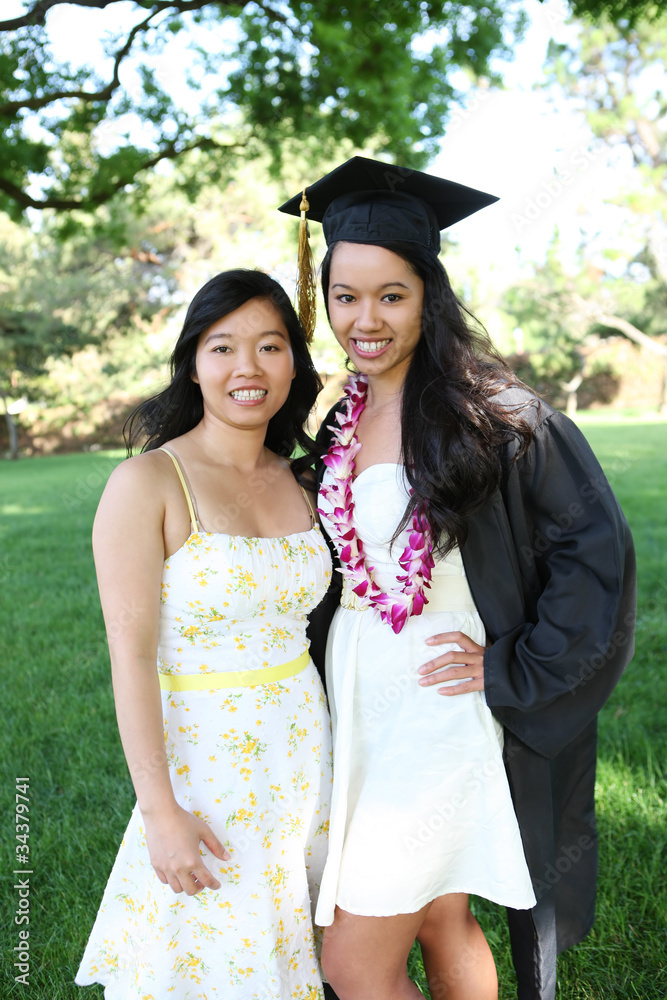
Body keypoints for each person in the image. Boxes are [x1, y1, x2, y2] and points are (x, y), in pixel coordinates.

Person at [279, 157, 636, 1000]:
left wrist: (513, 667)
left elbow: (596, 551)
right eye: (344, 296)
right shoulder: (343, 417)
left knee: (350, 963)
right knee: (441, 916)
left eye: (390, 295)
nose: (363, 319)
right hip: (363, 694)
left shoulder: (496, 414)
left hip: (442, 702)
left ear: (427, 296)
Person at [75, 269, 335, 999]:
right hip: (207, 765)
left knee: (292, 955)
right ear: (194, 361)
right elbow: (128, 657)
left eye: (269, 346)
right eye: (223, 348)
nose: (247, 369)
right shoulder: (148, 483)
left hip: (304, 751)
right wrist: (160, 811)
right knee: (210, 955)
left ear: (294, 362)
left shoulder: (305, 480)